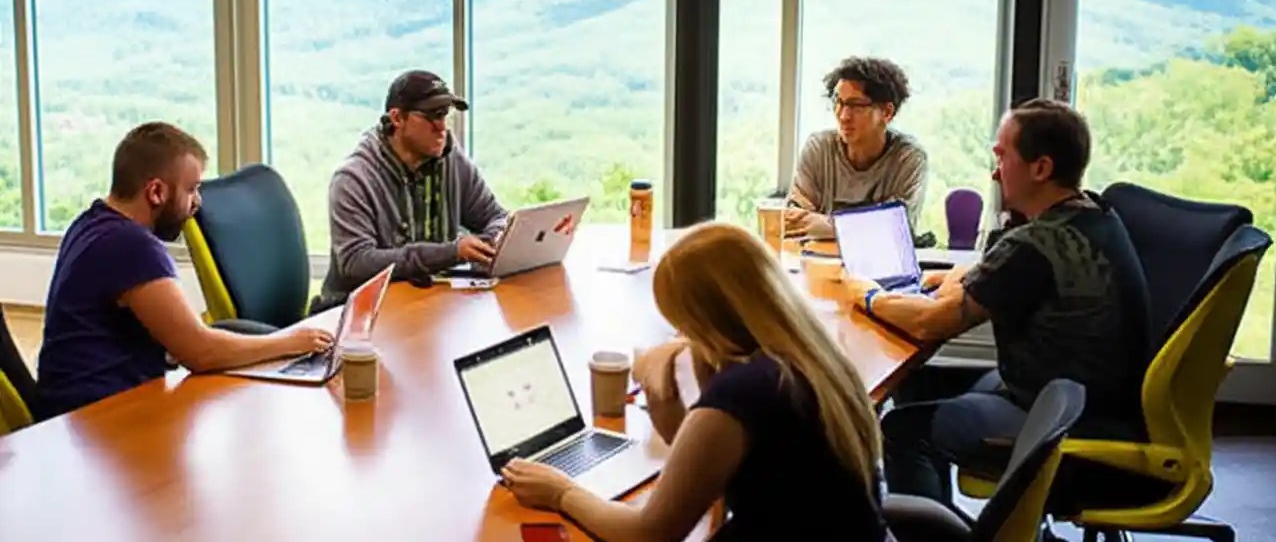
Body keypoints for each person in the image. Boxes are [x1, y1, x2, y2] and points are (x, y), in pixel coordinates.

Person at [846, 99, 1151, 505]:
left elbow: (930, 323)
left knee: (900, 430)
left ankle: (927, 530)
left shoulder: (1033, 246)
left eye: (1003, 156)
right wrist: (956, 279)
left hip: (1064, 420)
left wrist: (865, 294)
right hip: (1091, 396)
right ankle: (940, 518)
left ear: (1040, 168)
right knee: (918, 380)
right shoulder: (1094, 213)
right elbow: (994, 276)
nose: (995, 171)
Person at [500, 223, 888, 541]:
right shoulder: (813, 356)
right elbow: (708, 471)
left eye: (681, 320)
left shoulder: (743, 395)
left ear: (705, 318)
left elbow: (648, 534)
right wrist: (666, 396)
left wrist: (562, 492)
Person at [37, 122, 333, 419]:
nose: (197, 203)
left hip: (75, 412)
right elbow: (199, 352)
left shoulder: (89, 224)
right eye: (191, 190)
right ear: (156, 192)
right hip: (100, 418)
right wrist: (292, 341)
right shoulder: (132, 246)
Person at [319, 70, 508, 311]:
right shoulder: (353, 179)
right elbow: (357, 263)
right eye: (432, 116)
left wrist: (491, 242)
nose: (442, 127)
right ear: (397, 118)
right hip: (359, 314)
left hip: (427, 305)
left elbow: (496, 216)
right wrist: (451, 253)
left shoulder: (450, 159)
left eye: (445, 115)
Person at [787, 55, 929, 239]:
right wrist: (864, 228)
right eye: (839, 102)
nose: (844, 116)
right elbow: (793, 221)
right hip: (819, 261)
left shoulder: (908, 158)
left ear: (886, 112)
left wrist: (829, 226)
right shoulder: (819, 148)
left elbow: (896, 230)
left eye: (856, 106)